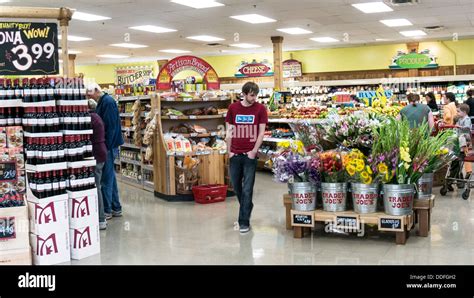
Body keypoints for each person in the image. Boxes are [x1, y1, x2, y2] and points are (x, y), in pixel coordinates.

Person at [226, 82, 268, 234]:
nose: (254, 98)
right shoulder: (233, 108)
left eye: (255, 95)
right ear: (243, 94)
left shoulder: (260, 109)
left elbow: (261, 132)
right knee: (237, 187)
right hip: (235, 154)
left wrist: (254, 151)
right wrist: (229, 151)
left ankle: (244, 222)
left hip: (250, 155)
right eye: (251, 95)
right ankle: (247, 207)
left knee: (247, 189)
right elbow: (229, 131)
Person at [86, 83, 124, 219]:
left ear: (96, 90)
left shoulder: (108, 102)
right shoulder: (103, 101)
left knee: (105, 180)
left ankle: (107, 210)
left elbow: (111, 128)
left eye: (89, 93)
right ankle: (116, 207)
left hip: (109, 146)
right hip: (108, 146)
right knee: (111, 178)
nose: (88, 96)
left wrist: (106, 147)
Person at [88, 99, 108, 230]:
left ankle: (101, 219)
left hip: (96, 154)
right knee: (98, 185)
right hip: (101, 152)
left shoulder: (91, 118)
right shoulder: (97, 116)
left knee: (96, 186)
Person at [456, 104, 472, 178]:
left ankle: (462, 151)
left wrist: (461, 127)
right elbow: (456, 127)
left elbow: (467, 127)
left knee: (462, 138)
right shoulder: (459, 119)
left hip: (466, 137)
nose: (457, 113)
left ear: (464, 112)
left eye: (458, 111)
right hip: (460, 137)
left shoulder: (467, 119)